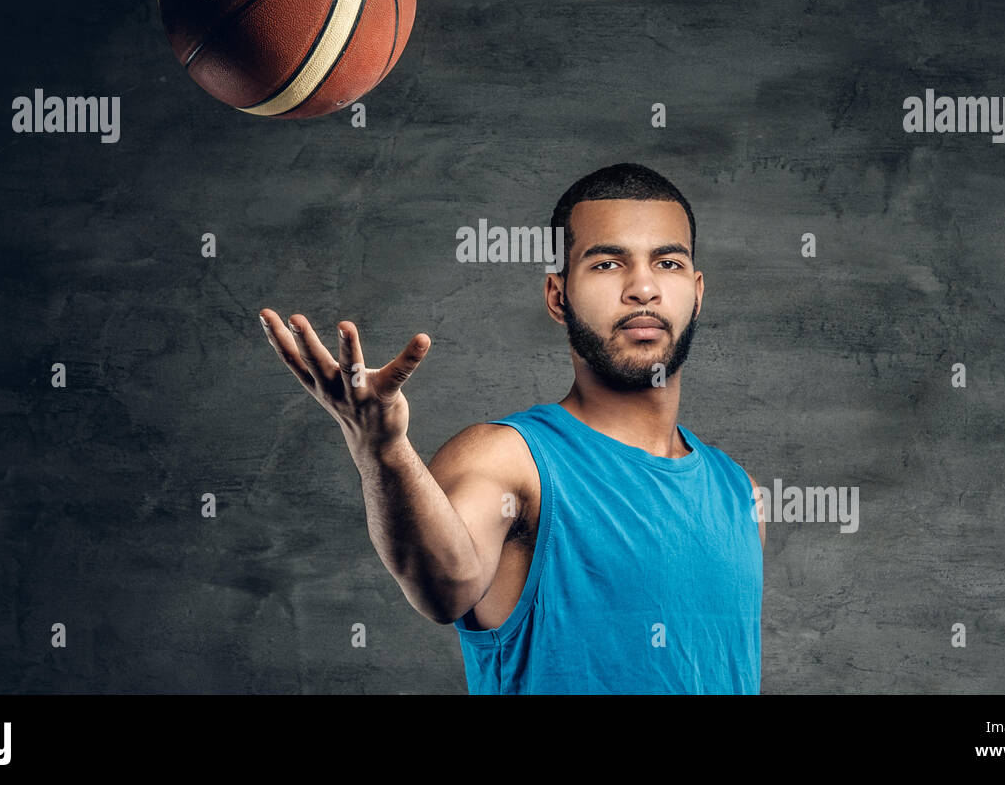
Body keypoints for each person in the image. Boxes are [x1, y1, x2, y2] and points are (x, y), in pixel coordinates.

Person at [259, 163, 764, 693]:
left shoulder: (740, 493)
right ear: (557, 296)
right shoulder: (508, 460)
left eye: (667, 262)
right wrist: (381, 450)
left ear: (697, 292)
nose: (643, 288)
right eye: (607, 263)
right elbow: (444, 589)